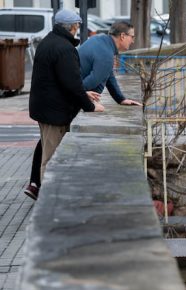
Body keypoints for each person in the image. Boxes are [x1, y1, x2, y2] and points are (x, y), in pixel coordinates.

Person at [25, 9, 104, 200]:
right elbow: (72, 83)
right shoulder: (64, 48)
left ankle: (43, 192)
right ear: (73, 27)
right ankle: (49, 201)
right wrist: (90, 106)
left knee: (47, 152)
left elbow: (57, 80)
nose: (78, 29)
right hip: (54, 112)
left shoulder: (49, 41)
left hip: (44, 108)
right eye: (77, 26)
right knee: (51, 159)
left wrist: (83, 94)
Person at [79, 20, 142, 107]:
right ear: (123, 36)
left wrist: (120, 99)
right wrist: (91, 104)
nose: (133, 41)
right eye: (132, 37)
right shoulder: (107, 54)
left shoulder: (100, 40)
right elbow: (94, 80)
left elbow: (108, 73)